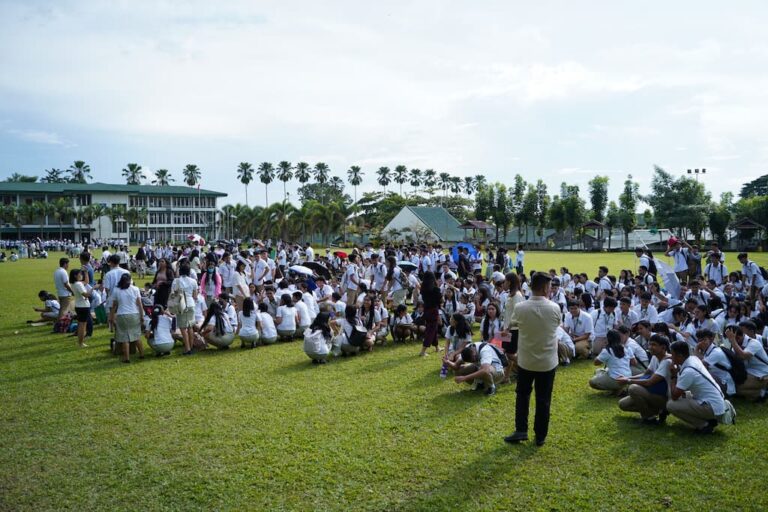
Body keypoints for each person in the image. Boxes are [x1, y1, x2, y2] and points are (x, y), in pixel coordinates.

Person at [504, 272, 561, 447]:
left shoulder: (521, 308)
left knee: (522, 395)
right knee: (543, 399)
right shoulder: (554, 308)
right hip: (547, 361)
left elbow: (513, 325)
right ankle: (540, 435)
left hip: (526, 360)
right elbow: (557, 324)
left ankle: (521, 429)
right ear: (545, 287)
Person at [667, 340, 725, 434]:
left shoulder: (688, 371)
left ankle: (704, 425)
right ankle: (708, 420)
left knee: (671, 405)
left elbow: (674, 396)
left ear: (680, 356)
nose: (671, 357)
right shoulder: (693, 359)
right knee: (683, 396)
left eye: (672, 354)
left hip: (711, 407)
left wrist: (673, 375)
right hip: (715, 402)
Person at [617, 335, 673, 424]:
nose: (650, 347)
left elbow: (649, 382)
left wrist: (628, 381)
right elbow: (646, 374)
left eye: (654, 345)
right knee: (623, 404)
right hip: (654, 392)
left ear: (663, 347)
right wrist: (627, 378)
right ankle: (656, 411)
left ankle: (649, 417)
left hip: (666, 398)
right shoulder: (655, 357)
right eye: (649, 344)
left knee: (633, 388)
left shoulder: (667, 362)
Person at [725, 325, 768, 401]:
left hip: (762, 373)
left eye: (730, 338)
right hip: (749, 372)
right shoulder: (736, 345)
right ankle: (758, 391)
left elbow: (743, 356)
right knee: (731, 387)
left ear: (738, 337)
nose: (729, 341)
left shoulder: (754, 343)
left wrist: (733, 340)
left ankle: (761, 393)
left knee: (736, 389)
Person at [110, 273, 145, 363]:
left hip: (122, 315)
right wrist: (142, 316)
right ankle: (141, 354)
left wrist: (111, 317)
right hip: (134, 314)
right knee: (136, 336)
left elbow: (114, 306)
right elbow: (139, 304)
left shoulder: (116, 290)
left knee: (124, 338)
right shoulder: (135, 289)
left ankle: (126, 358)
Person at [589, 329, 636, 393]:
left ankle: (617, 388)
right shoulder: (627, 348)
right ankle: (621, 388)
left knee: (592, 382)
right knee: (598, 371)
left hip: (615, 379)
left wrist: (602, 352)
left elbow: (596, 363)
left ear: (608, 339)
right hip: (627, 377)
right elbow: (634, 362)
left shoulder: (607, 350)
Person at [171, 263, 198, 355]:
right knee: (190, 326)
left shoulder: (176, 281)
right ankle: (190, 346)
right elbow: (195, 295)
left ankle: (187, 348)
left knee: (183, 328)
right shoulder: (193, 281)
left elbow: (173, 294)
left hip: (181, 304)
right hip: (191, 303)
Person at [418, 271, 442, 357]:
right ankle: (423, 351)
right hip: (433, 310)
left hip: (426, 310)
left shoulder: (423, 288)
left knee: (433, 329)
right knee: (431, 330)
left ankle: (437, 347)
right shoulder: (435, 289)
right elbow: (439, 300)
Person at [70, 268, 92, 348]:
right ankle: (81, 343)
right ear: (76, 276)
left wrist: (86, 272)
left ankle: (80, 342)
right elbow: (86, 294)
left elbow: (86, 282)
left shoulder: (74, 283)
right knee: (83, 326)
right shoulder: (78, 284)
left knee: (80, 324)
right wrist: (93, 288)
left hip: (79, 306)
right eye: (80, 274)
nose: (81, 275)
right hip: (83, 307)